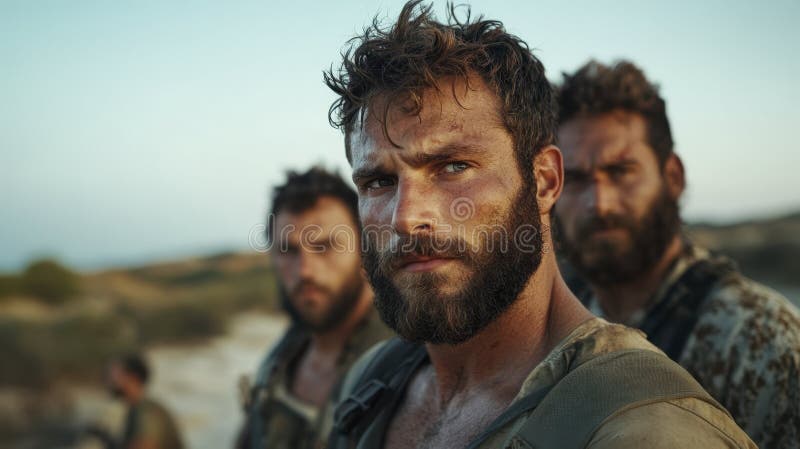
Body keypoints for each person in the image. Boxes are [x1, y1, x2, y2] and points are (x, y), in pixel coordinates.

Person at [322, 1, 756, 448]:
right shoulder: (371, 383)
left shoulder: (645, 430)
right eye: (378, 181)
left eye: (453, 167)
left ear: (545, 181)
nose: (407, 217)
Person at [553, 59, 800, 448]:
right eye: (578, 179)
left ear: (673, 177)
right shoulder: (553, 323)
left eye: (621, 171)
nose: (598, 203)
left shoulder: (759, 340)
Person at [237, 167, 393, 449]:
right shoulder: (278, 361)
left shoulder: (406, 365)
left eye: (324, 246)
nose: (305, 271)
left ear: (364, 247)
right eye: (288, 251)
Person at [108, 353, 184, 449]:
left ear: (133, 378)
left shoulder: (148, 412)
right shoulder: (136, 410)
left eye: (116, 374)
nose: (110, 380)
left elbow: (145, 445)